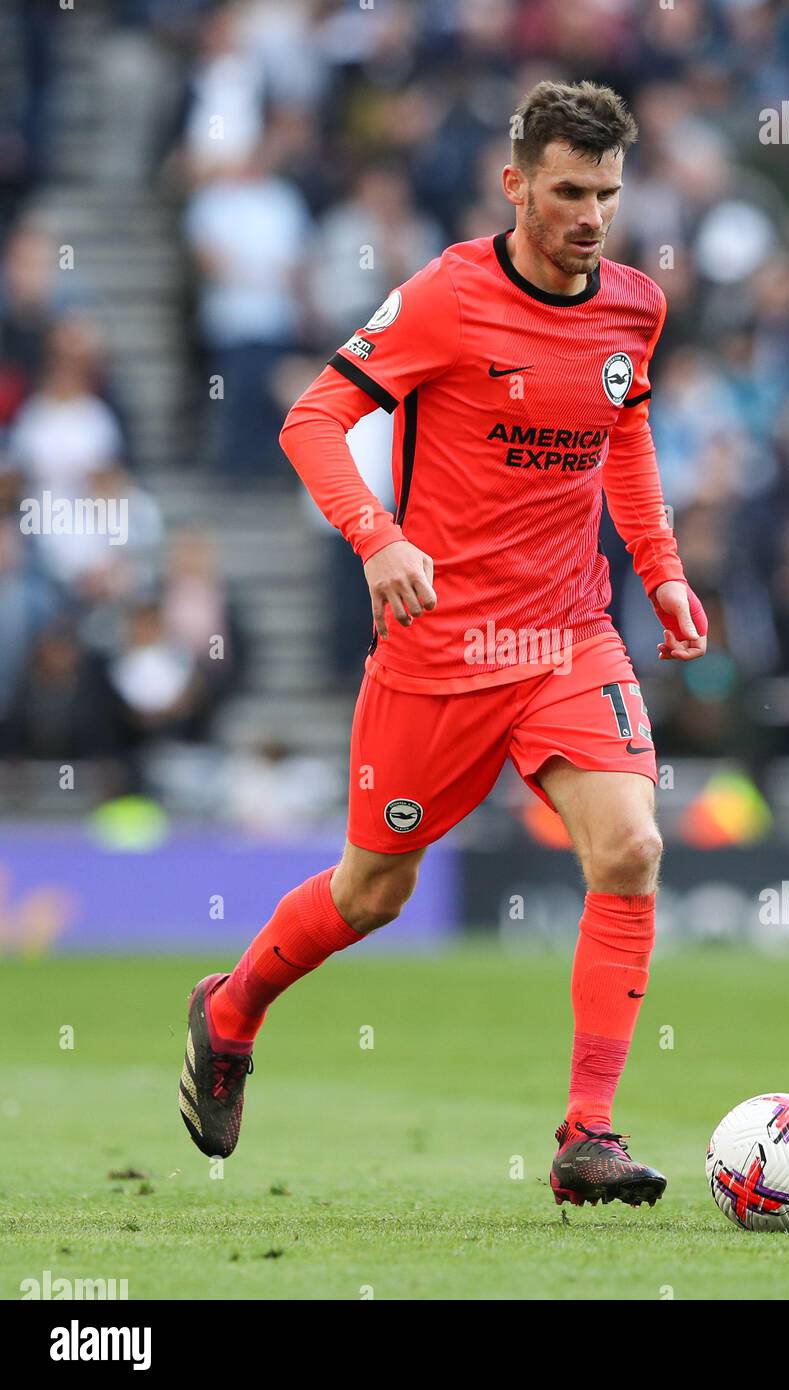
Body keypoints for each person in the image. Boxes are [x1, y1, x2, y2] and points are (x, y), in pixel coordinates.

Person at [177, 80, 708, 1210]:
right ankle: (229, 1012)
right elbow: (310, 418)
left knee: (630, 851)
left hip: (571, 637)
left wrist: (658, 571)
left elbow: (623, 433)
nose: (591, 216)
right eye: (568, 191)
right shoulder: (446, 297)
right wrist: (376, 539)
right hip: (440, 648)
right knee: (372, 894)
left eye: (607, 193)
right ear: (514, 184)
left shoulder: (633, 307)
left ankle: (587, 1135)